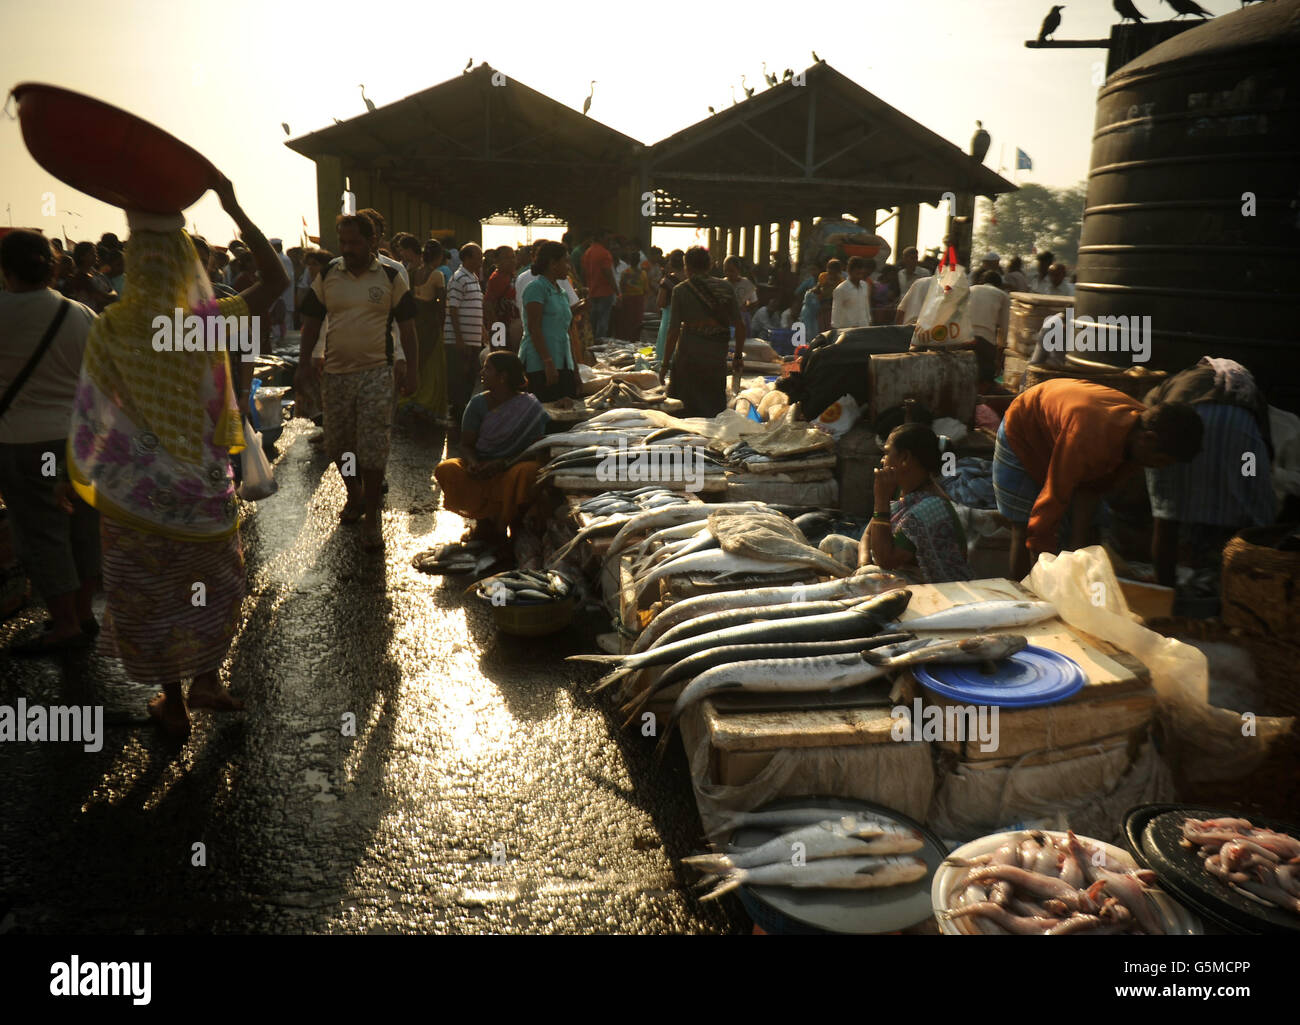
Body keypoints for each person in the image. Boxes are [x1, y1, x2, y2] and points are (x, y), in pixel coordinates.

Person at [67, 181, 287, 738]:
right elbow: (278, 280)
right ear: (187, 263)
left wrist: (76, 473)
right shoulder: (208, 320)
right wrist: (234, 206)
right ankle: (207, 679)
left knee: (150, 594)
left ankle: (176, 702)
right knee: (211, 585)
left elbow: (94, 406)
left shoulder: (112, 323)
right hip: (202, 491)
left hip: (131, 495)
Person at [0, 230, 101, 654]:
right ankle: (82, 612)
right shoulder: (80, 315)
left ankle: (63, 625)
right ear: (53, 267)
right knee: (81, 528)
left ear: (5, 270)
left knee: (43, 531)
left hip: (26, 444)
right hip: (76, 442)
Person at [993, 379, 1203, 579]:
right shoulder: (1087, 436)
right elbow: (1050, 505)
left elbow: (1092, 489)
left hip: (1062, 432)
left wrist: (1076, 556)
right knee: (1023, 526)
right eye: (1161, 461)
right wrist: (1043, 577)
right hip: (1024, 428)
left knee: (1086, 534)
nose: (1160, 468)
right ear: (1148, 439)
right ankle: (1021, 599)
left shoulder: (1136, 438)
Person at [296, 213, 417, 550]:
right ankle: (355, 493)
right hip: (335, 375)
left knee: (373, 445)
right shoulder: (329, 274)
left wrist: (412, 368)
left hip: (378, 372)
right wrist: (305, 363)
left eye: (354, 242)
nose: (347, 249)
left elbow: (407, 327)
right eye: (343, 242)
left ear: (370, 242)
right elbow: (310, 320)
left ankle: (373, 516)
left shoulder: (391, 275)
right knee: (340, 444)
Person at [1143, 358, 1276, 588]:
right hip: (1243, 437)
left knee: (1166, 517)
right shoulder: (1248, 386)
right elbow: (1265, 440)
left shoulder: (1178, 379)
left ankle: (1164, 592)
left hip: (1180, 430)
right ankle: (1246, 591)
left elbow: (1147, 414)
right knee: (1251, 513)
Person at [433, 350, 549, 548]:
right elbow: (466, 445)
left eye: (487, 368)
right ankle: (484, 522)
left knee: (528, 472)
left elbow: (535, 449)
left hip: (512, 466)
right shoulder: (477, 404)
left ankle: (512, 522)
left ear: (502, 377)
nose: (482, 372)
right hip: (481, 468)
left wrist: (504, 463)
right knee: (447, 469)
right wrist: (474, 464)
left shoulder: (530, 407)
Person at [863, 424, 973, 583]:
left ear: (905, 458)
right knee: (832, 542)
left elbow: (886, 560)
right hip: (893, 566)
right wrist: (863, 564)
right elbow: (868, 534)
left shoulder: (929, 507)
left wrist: (880, 500)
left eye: (887, 453)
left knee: (867, 577)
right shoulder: (898, 489)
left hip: (931, 585)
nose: (882, 460)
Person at [660, 247, 745, 418]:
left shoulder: (681, 290)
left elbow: (673, 331)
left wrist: (665, 364)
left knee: (684, 411)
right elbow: (739, 325)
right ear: (710, 265)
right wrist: (737, 356)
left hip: (688, 356)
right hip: (715, 355)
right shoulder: (726, 287)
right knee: (713, 409)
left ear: (687, 267)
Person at [519, 241, 580, 403]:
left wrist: (574, 367)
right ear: (553, 264)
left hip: (563, 361)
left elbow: (566, 331)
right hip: (541, 365)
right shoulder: (536, 288)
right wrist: (548, 362)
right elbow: (534, 328)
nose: (568, 266)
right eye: (565, 261)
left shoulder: (561, 293)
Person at [400, 239, 450, 423]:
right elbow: (441, 304)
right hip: (430, 321)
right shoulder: (437, 275)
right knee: (433, 363)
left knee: (417, 357)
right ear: (437, 257)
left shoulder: (413, 272)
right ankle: (428, 401)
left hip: (416, 320)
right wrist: (442, 326)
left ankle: (411, 396)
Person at [445, 242, 485, 427]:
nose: (481, 260)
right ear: (467, 258)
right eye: (478, 257)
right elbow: (453, 308)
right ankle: (457, 415)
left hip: (472, 338)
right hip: (459, 340)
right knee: (459, 377)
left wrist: (483, 331)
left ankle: (463, 415)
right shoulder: (459, 278)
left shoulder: (474, 277)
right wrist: (459, 338)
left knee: (469, 377)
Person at [967, 273, 1011, 390]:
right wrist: (999, 356)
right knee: (985, 380)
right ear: (999, 285)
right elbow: (1004, 328)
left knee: (963, 377)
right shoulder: (1003, 295)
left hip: (963, 338)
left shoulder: (969, 289)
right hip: (985, 341)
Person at [581, 229, 618, 340]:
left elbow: (583, 272)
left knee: (593, 321)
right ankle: (600, 344)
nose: (609, 242)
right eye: (608, 239)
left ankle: (591, 343)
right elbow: (608, 273)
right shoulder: (604, 253)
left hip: (592, 292)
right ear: (601, 238)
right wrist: (617, 291)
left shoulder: (588, 252)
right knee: (603, 321)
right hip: (605, 292)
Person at [483, 245, 521, 351]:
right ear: (497, 261)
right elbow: (488, 305)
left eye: (513, 257)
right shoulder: (496, 278)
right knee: (500, 358)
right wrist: (498, 333)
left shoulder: (512, 276)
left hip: (512, 329)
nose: (512, 261)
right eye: (508, 258)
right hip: (501, 329)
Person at [65, 241, 117, 312]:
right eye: (91, 253)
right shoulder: (80, 277)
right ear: (82, 257)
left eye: (95, 253)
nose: (95, 255)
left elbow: (111, 291)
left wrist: (112, 295)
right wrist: (112, 296)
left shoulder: (97, 273)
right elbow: (101, 298)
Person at [654, 249, 685, 363]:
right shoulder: (690, 280)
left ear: (671, 263)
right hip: (686, 319)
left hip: (669, 318)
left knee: (666, 349)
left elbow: (660, 302)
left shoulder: (667, 281)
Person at [831, 256, 873, 330]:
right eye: (857, 271)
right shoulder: (841, 289)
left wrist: (869, 321)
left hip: (864, 327)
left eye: (861, 270)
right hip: (847, 330)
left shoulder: (865, 285)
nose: (860, 273)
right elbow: (836, 312)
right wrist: (836, 331)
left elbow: (866, 305)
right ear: (849, 271)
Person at [617, 248, 648, 342]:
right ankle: (635, 340)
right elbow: (646, 290)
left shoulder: (625, 273)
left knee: (627, 321)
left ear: (630, 261)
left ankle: (628, 339)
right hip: (638, 300)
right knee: (637, 321)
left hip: (627, 299)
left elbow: (621, 287)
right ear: (638, 260)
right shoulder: (643, 274)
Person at [270, 238, 294, 342]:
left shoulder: (282, 259)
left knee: (284, 320)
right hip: (280, 295)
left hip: (283, 295)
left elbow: (286, 278)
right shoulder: (279, 258)